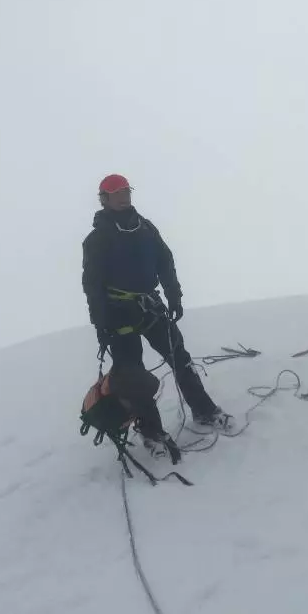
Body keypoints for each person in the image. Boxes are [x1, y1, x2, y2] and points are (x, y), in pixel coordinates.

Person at [82, 174, 234, 458]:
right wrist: (101, 324)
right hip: (118, 314)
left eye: (126, 190)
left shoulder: (145, 227)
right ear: (104, 199)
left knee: (181, 359)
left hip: (150, 306)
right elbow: (91, 285)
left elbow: (165, 261)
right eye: (116, 192)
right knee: (133, 376)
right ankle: (152, 432)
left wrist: (173, 294)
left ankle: (204, 411)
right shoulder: (97, 239)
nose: (123, 196)